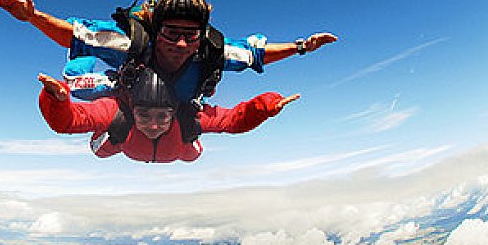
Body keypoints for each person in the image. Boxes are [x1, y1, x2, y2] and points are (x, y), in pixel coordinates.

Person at [0, 0, 337, 101]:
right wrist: (33, 17)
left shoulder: (212, 50)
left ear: (201, 36)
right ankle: (113, 88)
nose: (179, 42)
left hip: (176, 105)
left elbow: (255, 54)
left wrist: (303, 46)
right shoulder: (131, 43)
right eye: (171, 31)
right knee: (78, 84)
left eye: (190, 35)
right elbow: (76, 34)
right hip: (128, 98)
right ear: (155, 28)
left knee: (188, 144)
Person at [37, 66, 299, 163]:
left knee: (193, 149)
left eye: (162, 117)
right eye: (144, 116)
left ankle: (185, 137)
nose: (153, 126)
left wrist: (266, 106)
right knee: (103, 146)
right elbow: (70, 122)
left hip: (178, 150)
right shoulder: (116, 111)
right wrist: (57, 98)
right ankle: (81, 65)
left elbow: (233, 120)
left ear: (173, 112)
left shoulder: (188, 117)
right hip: (126, 146)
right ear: (133, 108)